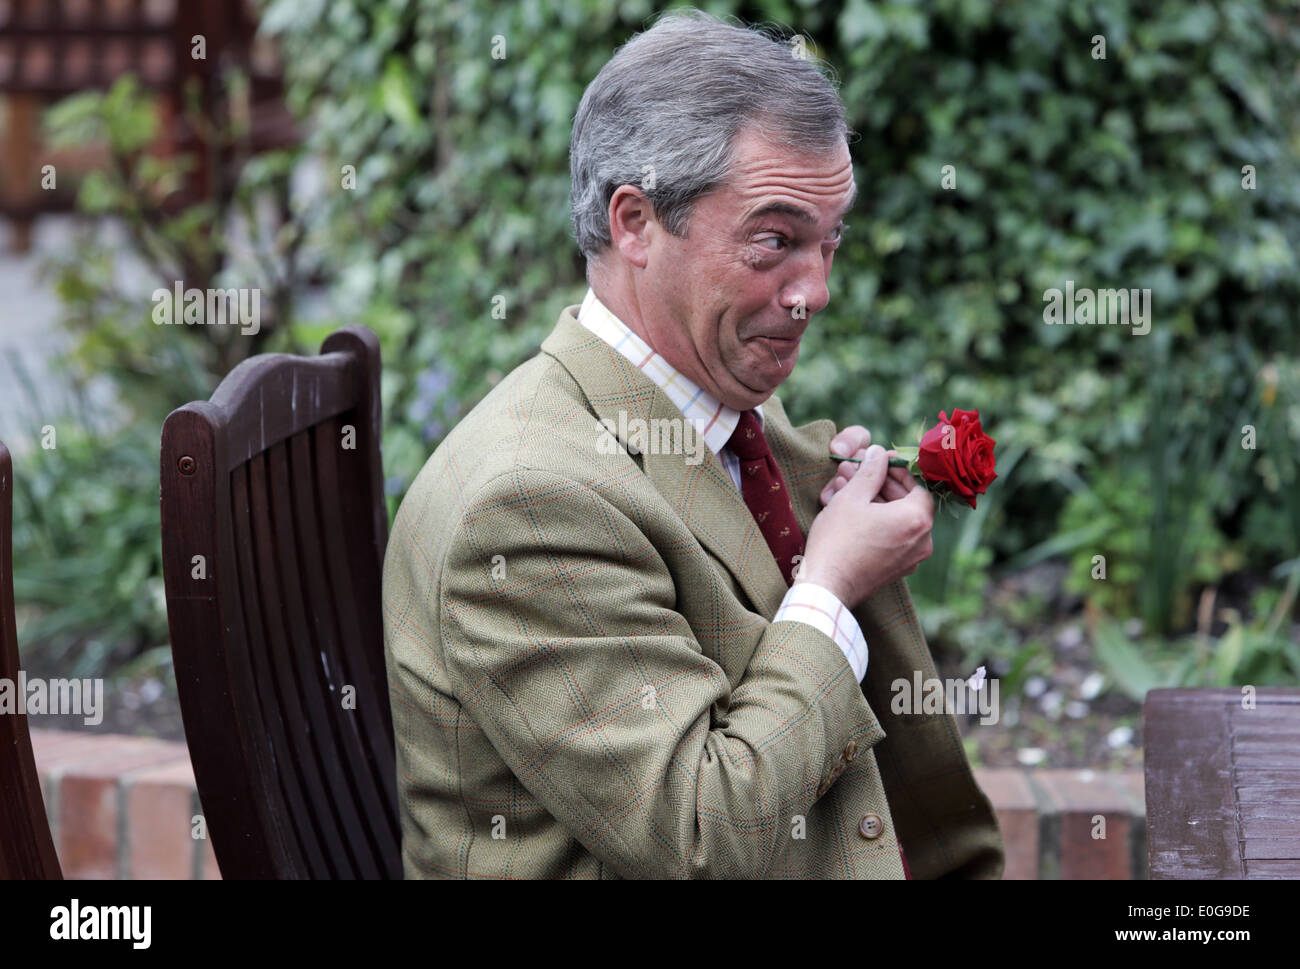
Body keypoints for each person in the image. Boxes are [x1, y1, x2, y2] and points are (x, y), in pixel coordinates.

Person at [382, 8, 1004, 879]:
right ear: (635, 223)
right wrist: (828, 586)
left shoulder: (720, 408)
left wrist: (829, 515)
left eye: (831, 242)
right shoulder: (525, 504)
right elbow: (702, 834)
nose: (815, 290)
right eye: (775, 240)